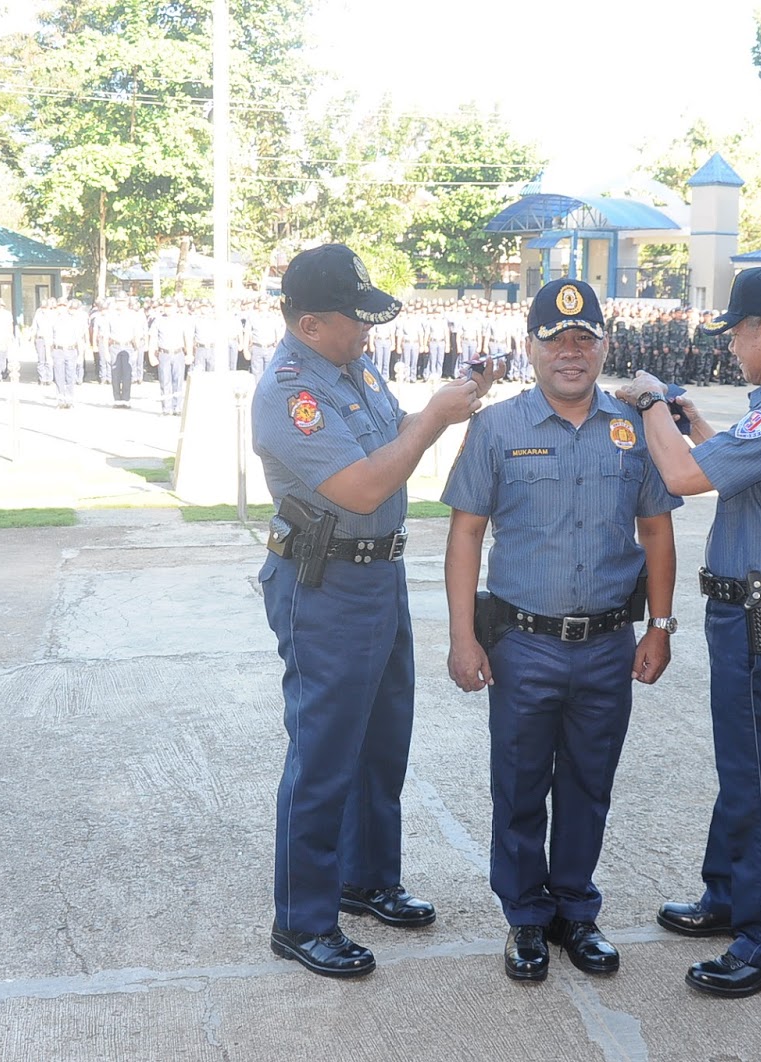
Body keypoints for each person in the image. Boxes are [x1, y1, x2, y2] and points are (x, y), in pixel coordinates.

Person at [252, 243, 499, 979]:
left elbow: (389, 440)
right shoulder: (292, 390)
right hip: (324, 583)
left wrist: (447, 402)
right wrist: (433, 422)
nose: (368, 331)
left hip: (375, 574)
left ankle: (365, 879)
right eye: (354, 320)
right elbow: (360, 486)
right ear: (311, 322)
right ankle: (302, 920)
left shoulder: (349, 368)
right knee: (324, 755)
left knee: (381, 742)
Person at [614, 264, 761, 998]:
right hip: (757, 610)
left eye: (739, 333)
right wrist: (691, 420)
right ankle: (730, 896)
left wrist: (651, 402)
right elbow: (728, 462)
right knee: (743, 763)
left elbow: (685, 478)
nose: (734, 349)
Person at [442, 278, 682, 982]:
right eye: (556, 341)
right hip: (522, 645)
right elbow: (464, 537)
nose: (570, 354)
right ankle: (525, 919)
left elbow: (658, 533)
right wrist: (463, 636)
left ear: (605, 346)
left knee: (588, 784)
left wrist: (659, 627)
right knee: (517, 786)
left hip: (609, 644)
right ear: (531, 350)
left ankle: (576, 911)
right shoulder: (497, 429)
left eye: (584, 340)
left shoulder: (634, 427)